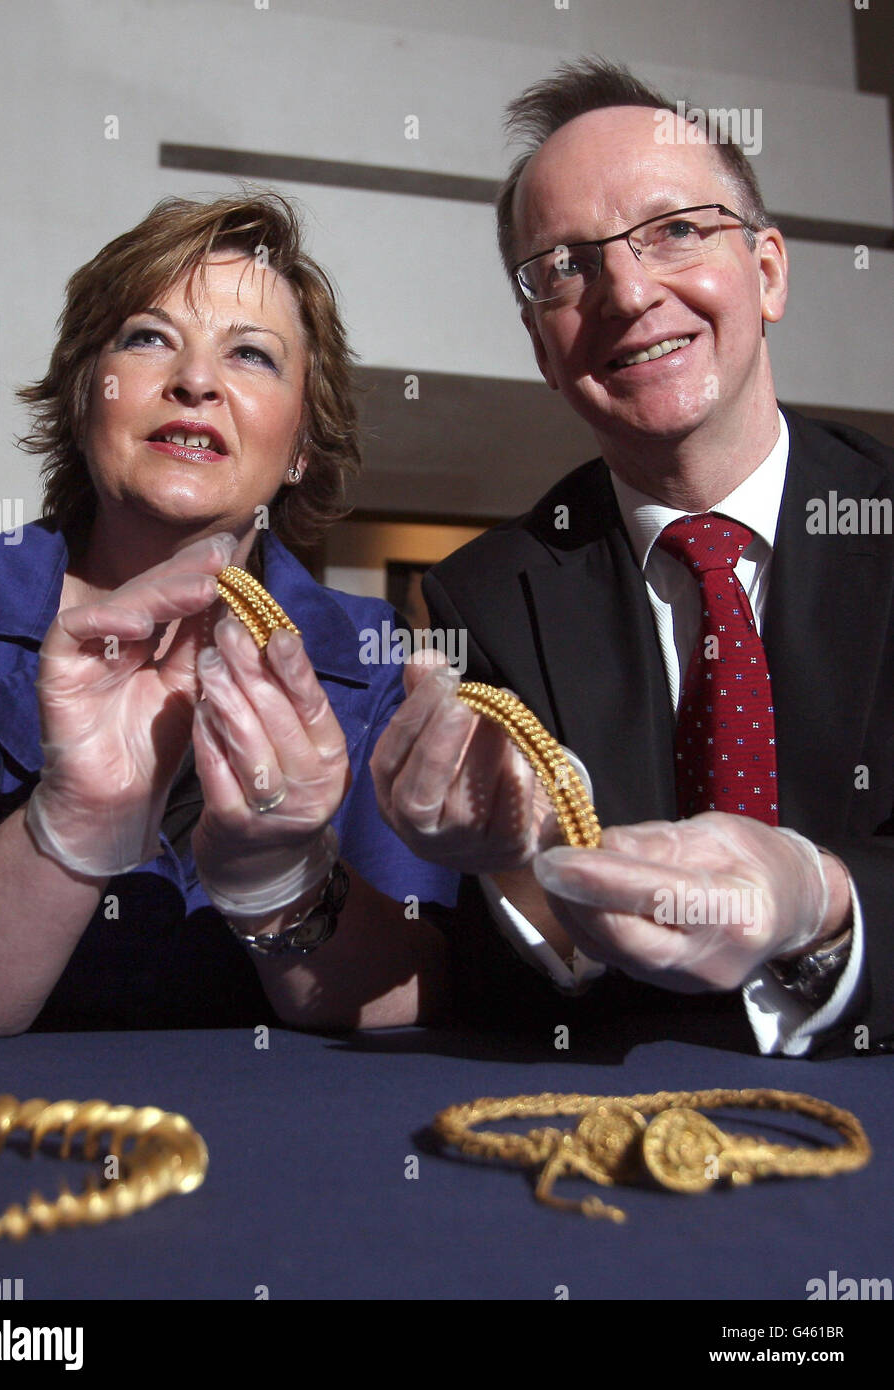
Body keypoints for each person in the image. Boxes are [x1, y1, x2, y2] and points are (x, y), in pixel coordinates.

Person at [372, 60, 894, 1057]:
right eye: (563, 265)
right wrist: (520, 873)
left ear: (768, 271)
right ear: (540, 345)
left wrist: (821, 906)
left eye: (673, 231)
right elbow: (494, 995)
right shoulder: (481, 599)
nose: (623, 289)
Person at [0, 192, 456, 1035]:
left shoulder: (376, 655)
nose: (196, 381)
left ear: (300, 448)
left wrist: (282, 876)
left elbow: (417, 997)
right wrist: (71, 823)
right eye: (148, 339)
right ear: (82, 395)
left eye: (251, 355)